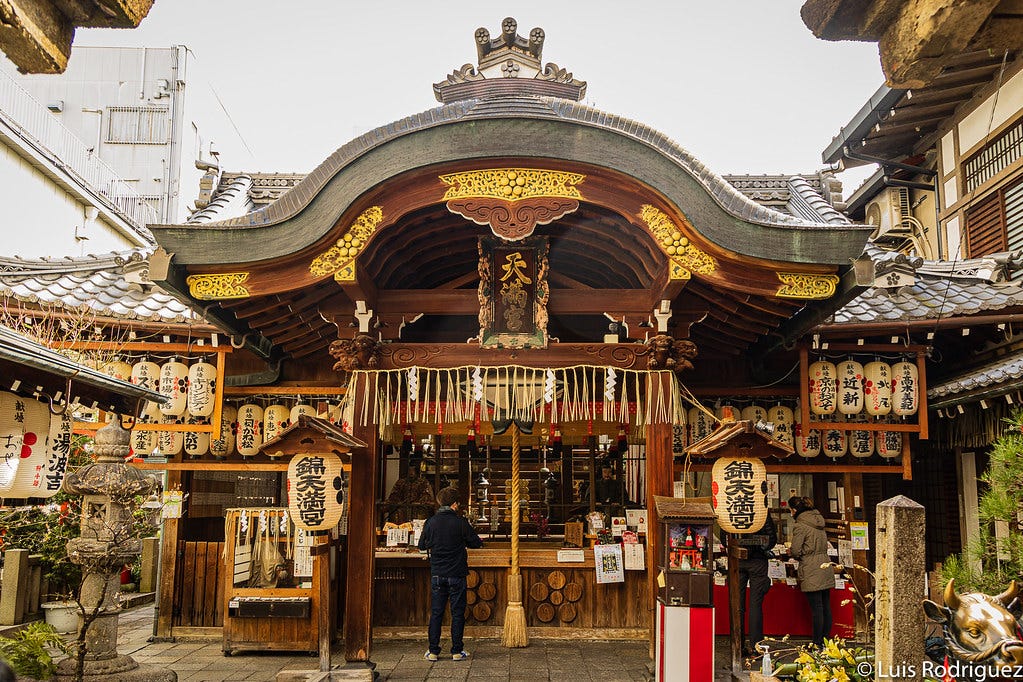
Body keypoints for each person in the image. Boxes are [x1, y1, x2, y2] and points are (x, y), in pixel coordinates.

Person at [418, 486, 483, 662]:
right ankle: (456, 650)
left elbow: (422, 546)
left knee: (437, 613)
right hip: (457, 573)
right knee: (457, 613)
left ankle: (433, 651)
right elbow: (477, 543)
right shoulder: (461, 523)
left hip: (438, 573)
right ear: (454, 504)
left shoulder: (430, 522)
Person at [724, 514, 777, 656]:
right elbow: (771, 539)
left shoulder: (732, 508)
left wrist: (739, 544)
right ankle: (755, 647)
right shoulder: (760, 509)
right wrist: (758, 545)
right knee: (755, 605)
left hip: (737, 560)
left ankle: (738, 647)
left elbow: (724, 536)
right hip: (758, 561)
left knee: (737, 605)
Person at [788, 496, 833, 647]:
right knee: (825, 606)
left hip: (811, 567)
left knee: (817, 609)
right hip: (825, 566)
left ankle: (817, 642)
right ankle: (826, 641)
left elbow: (795, 550)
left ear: (794, 510)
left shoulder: (800, 525)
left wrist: (794, 553)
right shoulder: (819, 521)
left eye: (791, 510)